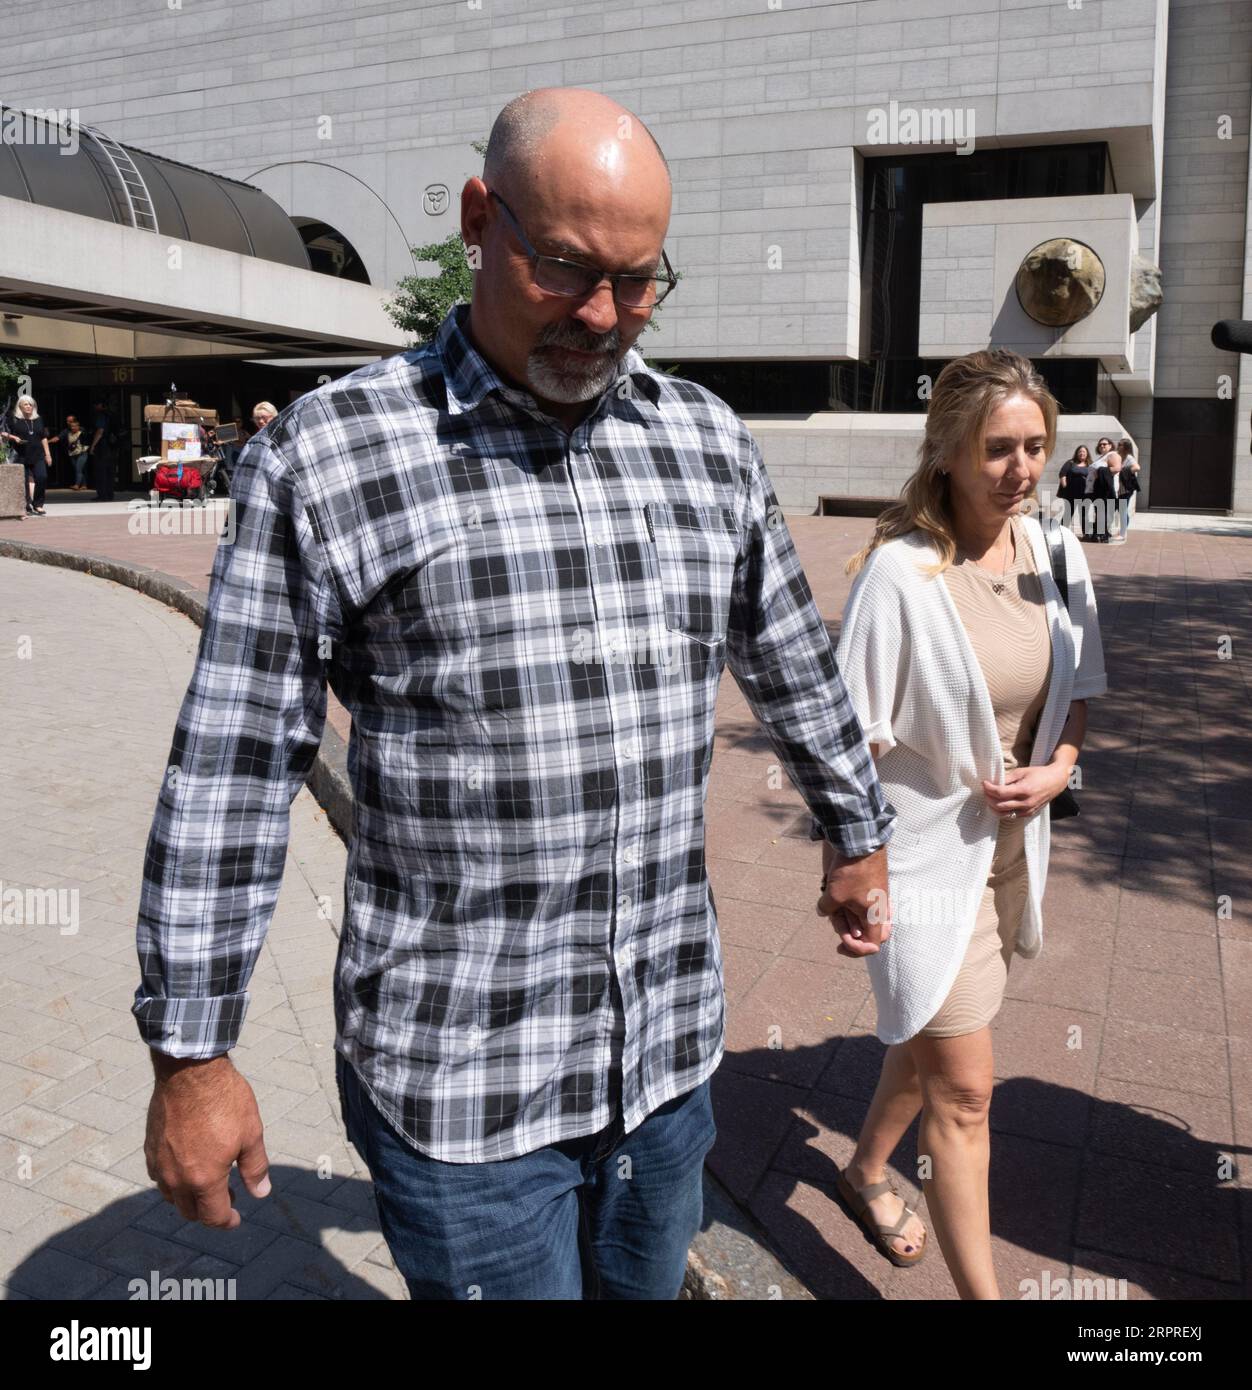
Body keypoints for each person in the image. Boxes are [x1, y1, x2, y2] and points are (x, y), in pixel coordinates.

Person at [133, 86, 896, 1301]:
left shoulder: (704, 442)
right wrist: (193, 1052)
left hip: (663, 1065)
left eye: (640, 282)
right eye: (565, 268)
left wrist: (857, 829)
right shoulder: (330, 457)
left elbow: (790, 653)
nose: (604, 316)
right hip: (459, 1089)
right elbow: (233, 767)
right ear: (481, 219)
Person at [823, 349, 1106, 1297]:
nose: (1020, 469)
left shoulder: (1058, 556)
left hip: (1013, 856)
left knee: (935, 1030)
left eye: (1035, 446)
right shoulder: (900, 577)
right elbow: (845, 741)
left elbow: (1076, 696)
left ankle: (865, 1169)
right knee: (967, 1089)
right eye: (997, 449)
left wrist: (1060, 768)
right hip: (919, 865)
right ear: (947, 450)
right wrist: (849, 870)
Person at [4, 395, 52, 515]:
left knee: (42, 477)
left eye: (31, 404)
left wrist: (48, 454)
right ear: (20, 406)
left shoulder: (38, 419)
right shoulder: (14, 419)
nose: (29, 406)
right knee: (23, 481)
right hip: (21, 454)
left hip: (38, 454)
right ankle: (26, 505)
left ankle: (38, 504)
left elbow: (43, 437)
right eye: (26, 404)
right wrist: (14, 438)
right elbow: (3, 432)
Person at [48, 414, 91, 490]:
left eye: (70, 421)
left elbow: (87, 439)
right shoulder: (66, 431)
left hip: (82, 453)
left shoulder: (82, 431)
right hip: (72, 454)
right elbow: (58, 438)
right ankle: (84, 485)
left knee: (78, 468)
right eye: (68, 421)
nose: (69, 423)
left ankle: (77, 485)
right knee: (79, 469)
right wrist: (47, 441)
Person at [1056, 444, 1091, 532]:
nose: (1081, 453)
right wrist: (1065, 487)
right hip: (1071, 493)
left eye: (1084, 451)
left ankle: (1086, 534)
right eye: (1080, 451)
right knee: (1068, 513)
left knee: (1084, 514)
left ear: (1087, 454)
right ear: (1077, 453)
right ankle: (1062, 532)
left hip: (1085, 494)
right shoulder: (1071, 463)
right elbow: (1062, 474)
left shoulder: (1090, 464)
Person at [1113, 438, 1139, 542]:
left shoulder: (1129, 457)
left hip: (1126, 488)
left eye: (1120, 444)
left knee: (1123, 510)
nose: (1118, 446)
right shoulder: (1116, 455)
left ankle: (1123, 534)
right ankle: (1122, 531)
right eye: (1118, 444)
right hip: (1117, 488)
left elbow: (1137, 467)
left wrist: (1122, 471)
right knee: (1120, 509)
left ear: (1126, 447)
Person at [88, 399, 115, 501]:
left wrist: (93, 446)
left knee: (101, 472)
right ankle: (110, 494)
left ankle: (102, 495)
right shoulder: (113, 415)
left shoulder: (101, 415)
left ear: (100, 405)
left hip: (103, 447)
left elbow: (100, 431)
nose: (94, 407)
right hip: (112, 446)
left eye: (95, 405)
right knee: (110, 472)